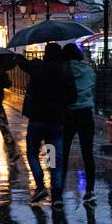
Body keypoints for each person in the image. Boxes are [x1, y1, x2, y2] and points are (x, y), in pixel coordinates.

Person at [17, 43, 76, 207]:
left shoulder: (38, 68)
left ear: (46, 54)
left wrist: (15, 56)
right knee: (54, 158)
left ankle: (41, 186)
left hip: (37, 119)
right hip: (56, 121)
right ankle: (57, 195)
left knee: (32, 153)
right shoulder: (65, 71)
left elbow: (23, 64)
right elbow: (72, 96)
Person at [59, 43, 98, 202]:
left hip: (68, 114)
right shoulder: (89, 71)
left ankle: (59, 189)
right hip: (86, 114)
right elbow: (92, 89)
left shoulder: (62, 71)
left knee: (63, 153)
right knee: (88, 153)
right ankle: (90, 190)